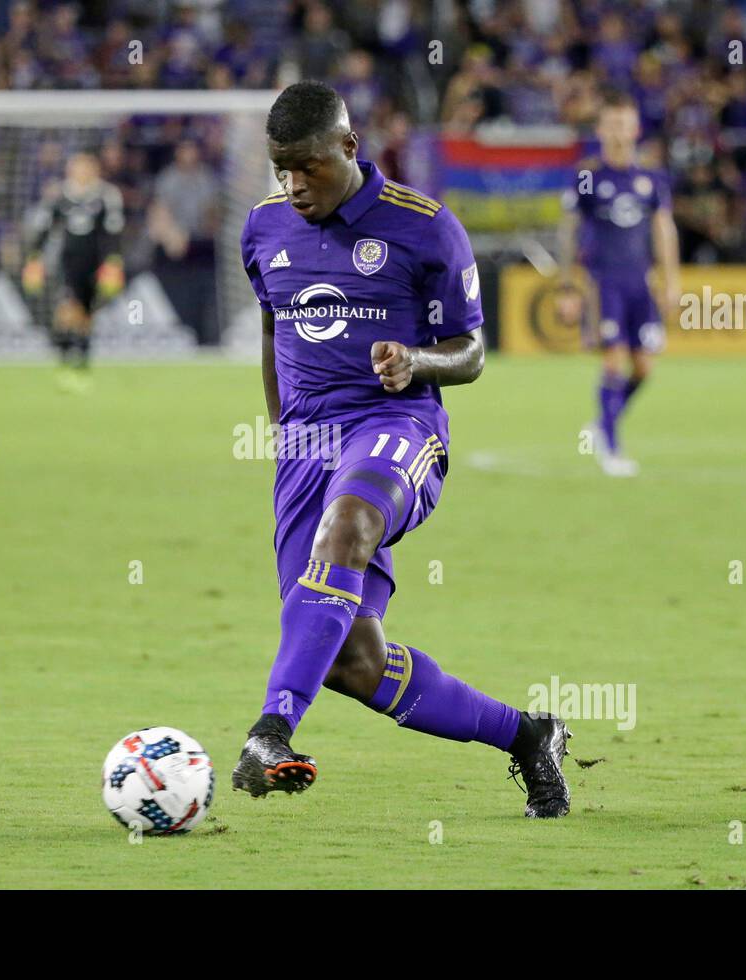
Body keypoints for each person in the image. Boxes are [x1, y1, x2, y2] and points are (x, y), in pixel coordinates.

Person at [235, 81, 572, 818]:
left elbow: (474, 350)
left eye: (308, 168)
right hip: (307, 445)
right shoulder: (263, 230)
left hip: (396, 427)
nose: (293, 186)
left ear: (350, 148)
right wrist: (281, 432)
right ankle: (528, 735)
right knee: (352, 663)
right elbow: (272, 329)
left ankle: (271, 730)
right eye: (281, 169)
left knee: (348, 524)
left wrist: (419, 361)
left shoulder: (425, 228)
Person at [558, 90, 680, 476]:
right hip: (601, 282)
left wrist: (671, 279)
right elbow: (569, 231)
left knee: (644, 366)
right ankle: (610, 447)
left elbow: (664, 230)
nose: (618, 131)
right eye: (611, 123)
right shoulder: (588, 177)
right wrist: (567, 286)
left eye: (625, 124)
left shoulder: (650, 179)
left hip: (639, 282)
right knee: (613, 358)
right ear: (600, 128)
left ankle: (601, 424)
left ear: (636, 128)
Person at [23, 152, 125, 386]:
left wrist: (113, 261)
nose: (81, 171)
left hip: (96, 264)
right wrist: (34, 257)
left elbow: (113, 232)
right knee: (67, 308)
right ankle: (64, 357)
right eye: (76, 166)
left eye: (86, 166)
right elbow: (45, 227)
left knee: (87, 314)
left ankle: (81, 361)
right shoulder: (59, 195)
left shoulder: (107, 195)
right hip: (67, 262)